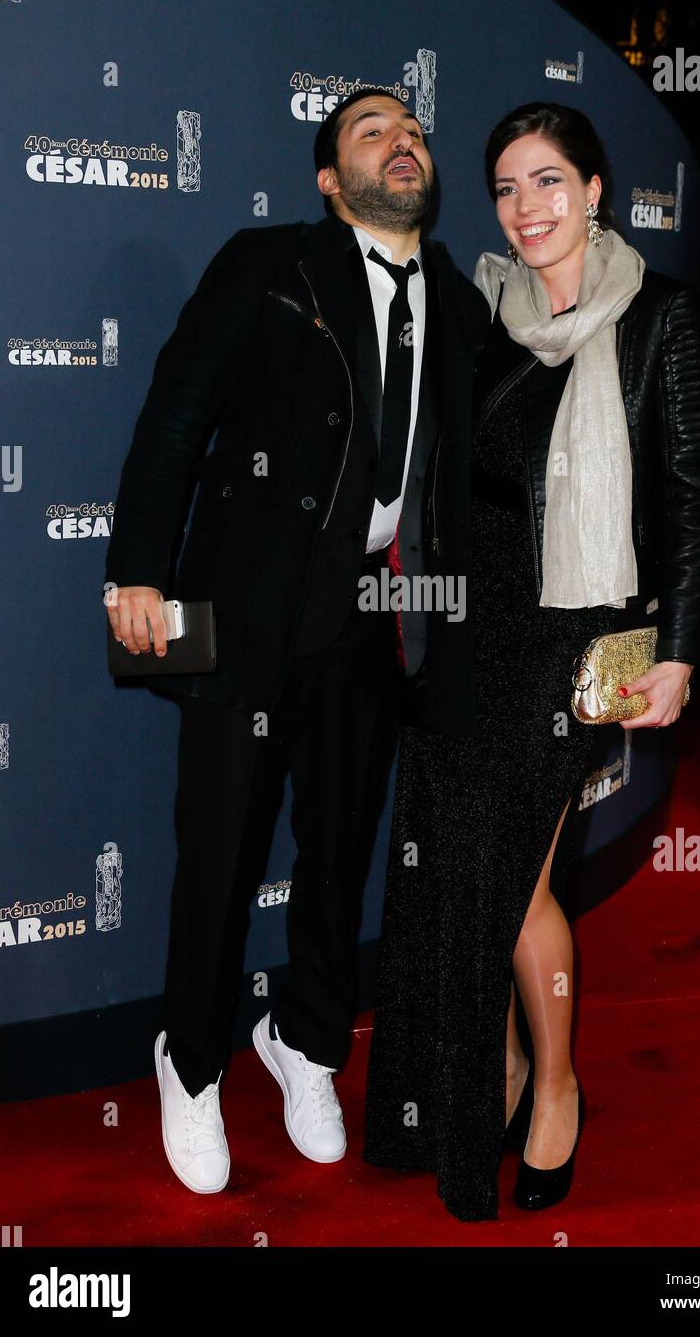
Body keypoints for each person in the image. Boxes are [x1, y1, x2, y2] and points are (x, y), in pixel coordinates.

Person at [104, 86, 490, 1193]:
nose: (402, 141)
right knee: (220, 855)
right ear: (329, 179)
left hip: (376, 615)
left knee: (337, 851)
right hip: (248, 606)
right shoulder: (268, 265)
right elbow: (176, 414)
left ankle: (307, 1042)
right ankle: (190, 1062)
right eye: (372, 131)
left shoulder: (457, 298)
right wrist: (136, 566)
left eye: (413, 130)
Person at [363, 102, 700, 1221]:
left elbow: (690, 499)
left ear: (594, 190)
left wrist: (678, 651)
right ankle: (499, 1069)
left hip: (572, 631)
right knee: (465, 879)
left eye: (549, 180)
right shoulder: (486, 311)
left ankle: (553, 1084)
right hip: (469, 628)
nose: (527, 207)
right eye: (508, 187)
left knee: (515, 884)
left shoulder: (659, 316)